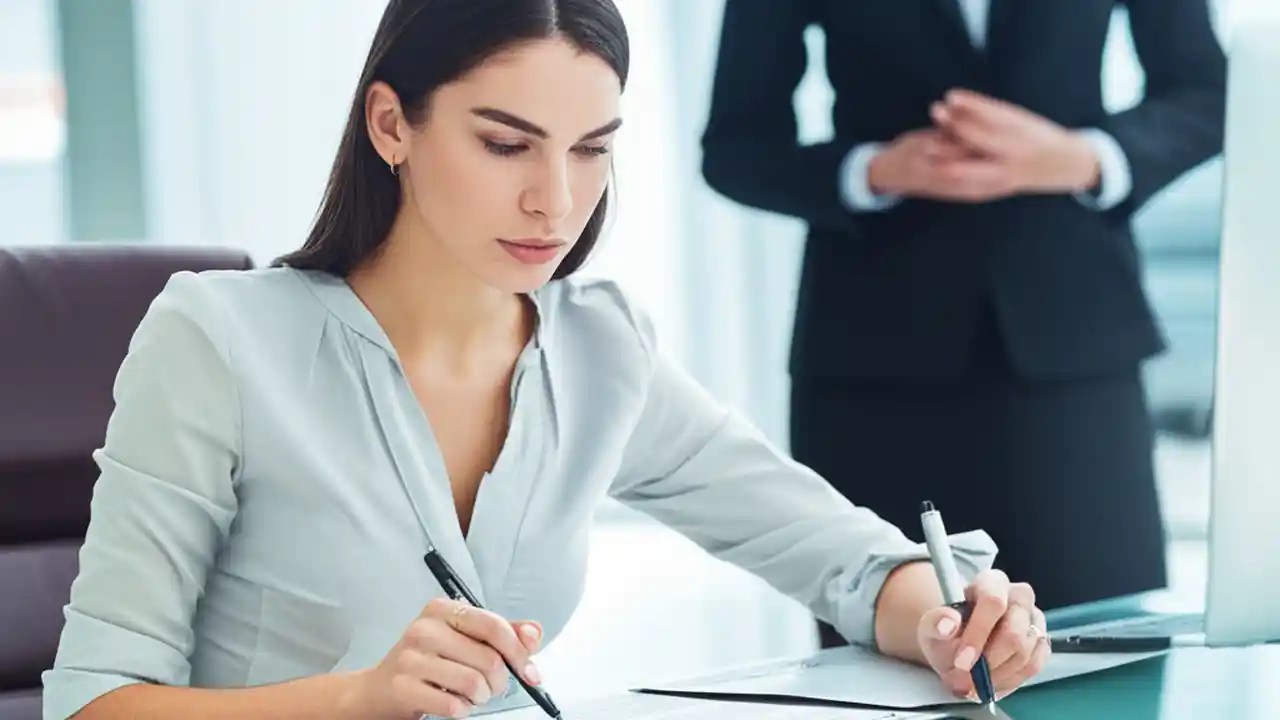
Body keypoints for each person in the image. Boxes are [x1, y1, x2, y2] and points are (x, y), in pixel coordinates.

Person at [44, 2, 1050, 718]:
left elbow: (842, 561)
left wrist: (943, 624)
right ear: (391, 123)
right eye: (504, 145)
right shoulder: (221, 340)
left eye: (589, 148)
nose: (556, 203)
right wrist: (355, 700)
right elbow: (94, 700)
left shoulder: (596, 349)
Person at [701, 0, 1226, 646]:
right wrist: (872, 171)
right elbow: (734, 145)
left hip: (1075, 351)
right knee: (888, 658)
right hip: (872, 363)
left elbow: (1207, 92)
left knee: (1107, 649)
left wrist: (1083, 158)